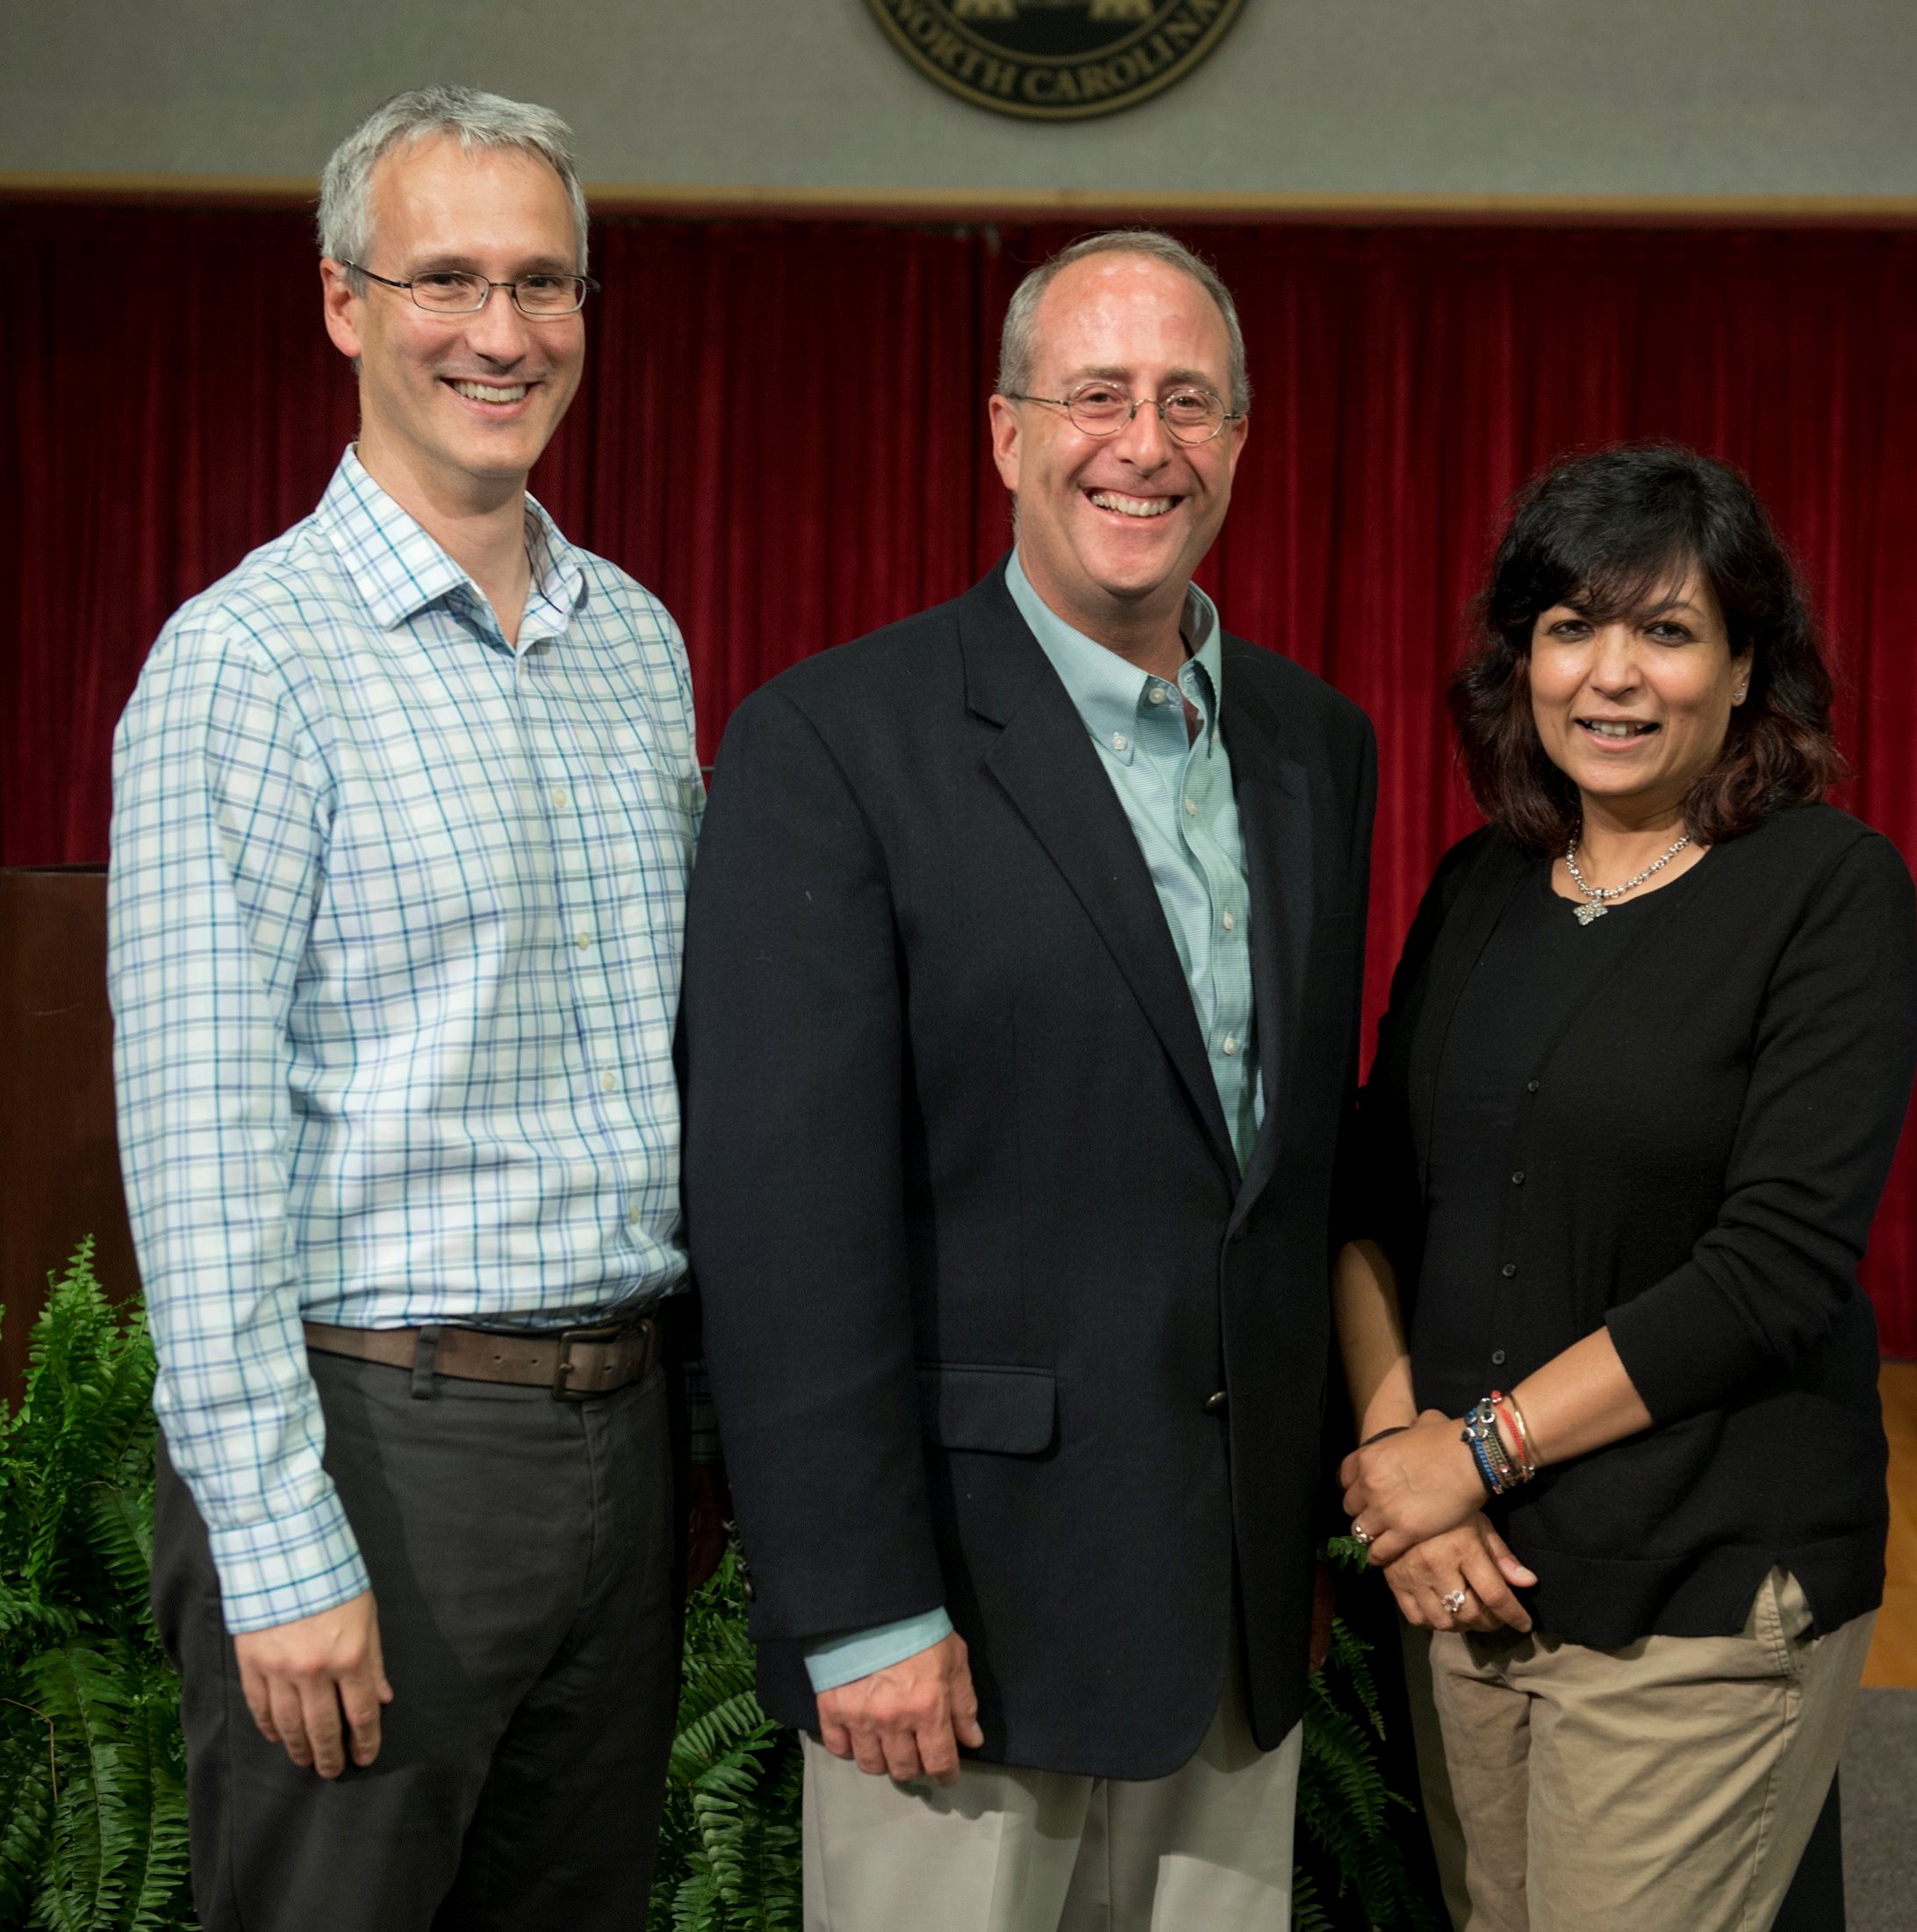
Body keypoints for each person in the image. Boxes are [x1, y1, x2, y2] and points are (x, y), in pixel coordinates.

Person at [682, 228, 1377, 1931]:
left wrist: (1282, 1543)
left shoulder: (1316, 746)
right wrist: (857, 1610)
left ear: (1240, 440)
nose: (1141, 443)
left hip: (1226, 1634)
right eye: (1096, 396)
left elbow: (1281, 1190)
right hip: (961, 1631)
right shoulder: (835, 745)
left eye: (1187, 402)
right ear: (1005, 434)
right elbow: (784, 1224)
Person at [108, 87, 721, 1931]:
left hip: (624, 1444)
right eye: (445, 279)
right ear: (343, 303)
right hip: (382, 1450)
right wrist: (281, 1551)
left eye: (546, 283)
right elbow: (202, 1159)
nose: (503, 332)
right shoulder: (244, 664)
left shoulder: (636, 638)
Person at [1332, 444, 1917, 1931]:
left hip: (1699, 1575)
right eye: (1572, 624)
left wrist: (1472, 1450)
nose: (1613, 673)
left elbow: (1772, 1268)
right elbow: (1368, 1196)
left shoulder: (1829, 888)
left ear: (1742, 672)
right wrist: (1409, 1455)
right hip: (1468, 1576)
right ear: (1522, 658)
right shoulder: (1479, 886)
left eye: (1667, 631)